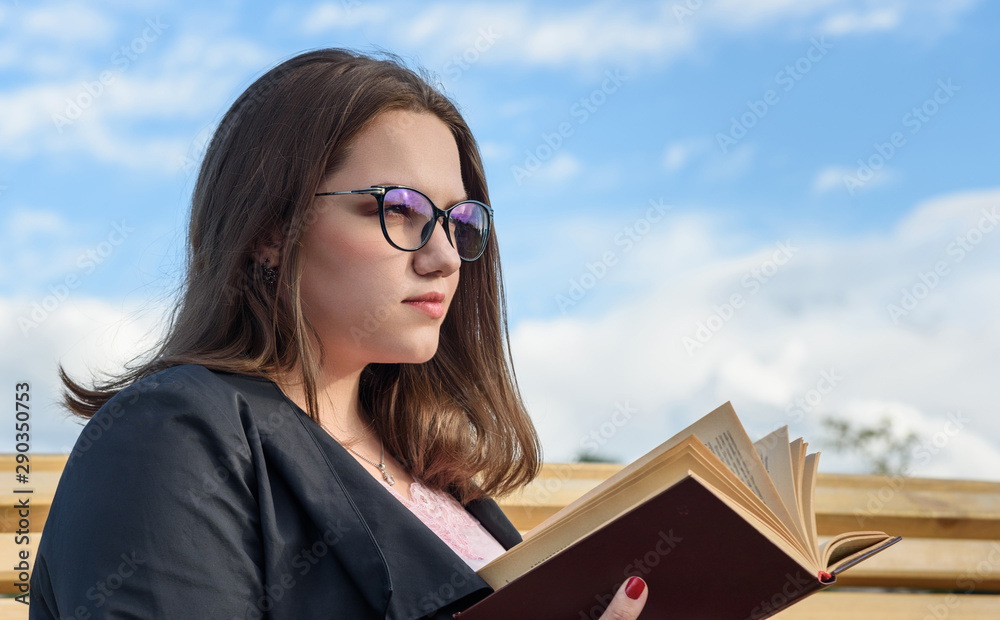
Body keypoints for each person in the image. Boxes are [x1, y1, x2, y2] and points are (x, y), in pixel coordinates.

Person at [29, 48, 649, 619]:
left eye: (458, 220)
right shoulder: (169, 435)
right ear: (270, 230)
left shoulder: (432, 470)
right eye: (399, 208)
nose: (445, 257)